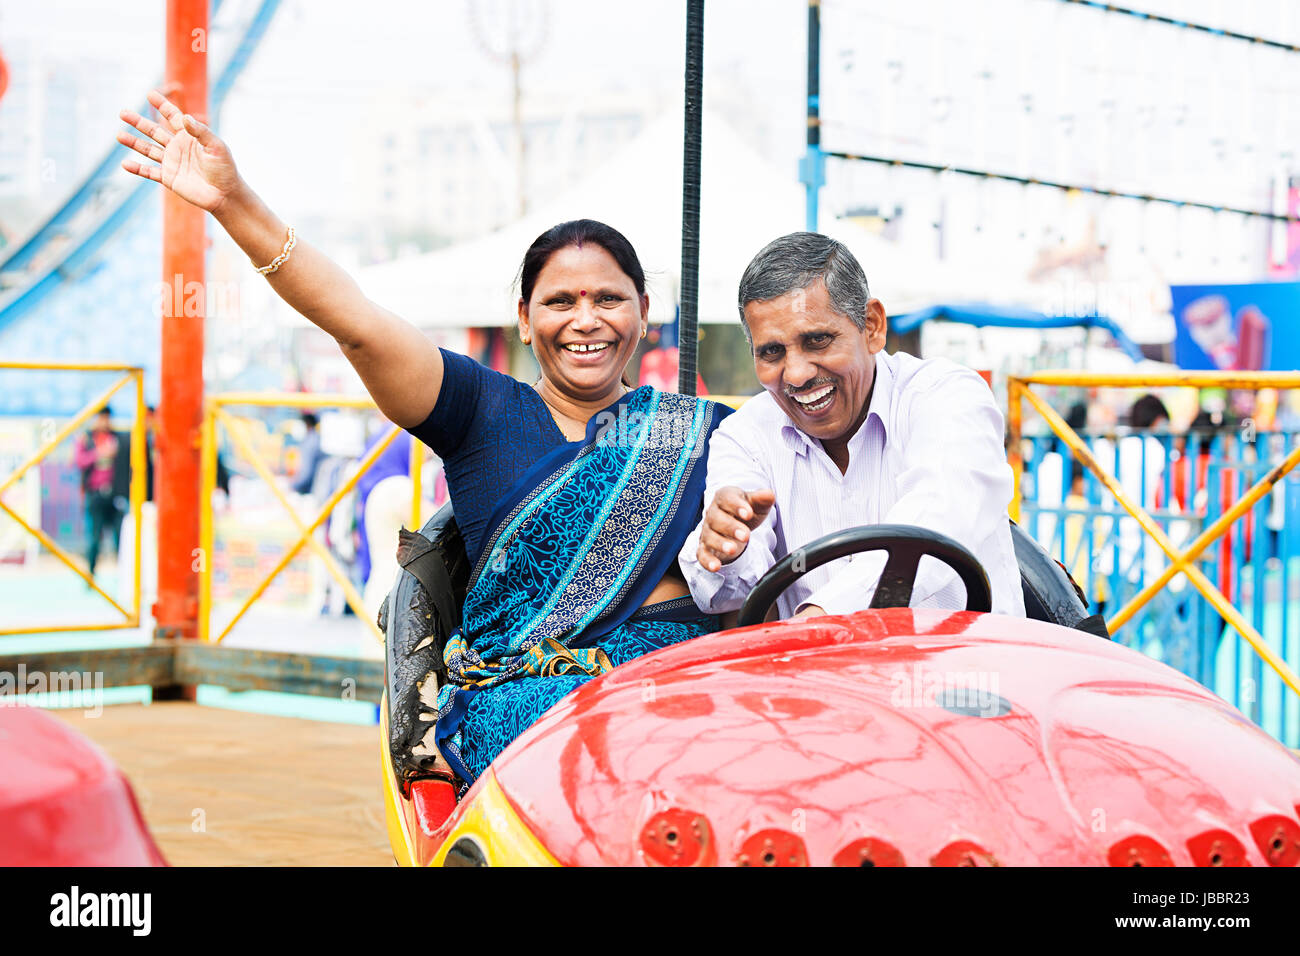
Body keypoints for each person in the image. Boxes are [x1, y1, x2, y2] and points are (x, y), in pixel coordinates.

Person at [117, 91, 732, 785]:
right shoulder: (477, 408)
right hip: (537, 701)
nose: (585, 320)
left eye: (608, 299)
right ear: (525, 320)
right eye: (561, 302)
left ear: (644, 313)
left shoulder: (703, 434)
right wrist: (234, 203)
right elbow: (354, 321)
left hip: (683, 688)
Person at [679, 232, 1025, 620]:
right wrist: (727, 548)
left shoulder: (947, 396)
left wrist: (822, 618)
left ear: (873, 326)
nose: (795, 374)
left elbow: (935, 526)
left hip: (959, 672)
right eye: (772, 352)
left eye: (817, 341)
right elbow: (724, 594)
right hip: (818, 675)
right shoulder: (745, 436)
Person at [75, 406, 122, 578]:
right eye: (101, 417)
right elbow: (79, 461)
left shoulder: (117, 438)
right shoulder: (87, 438)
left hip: (115, 494)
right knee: (94, 538)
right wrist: (98, 453)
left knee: (121, 537)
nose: (104, 421)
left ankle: (125, 575)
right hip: (95, 494)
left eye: (107, 417)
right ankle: (91, 574)